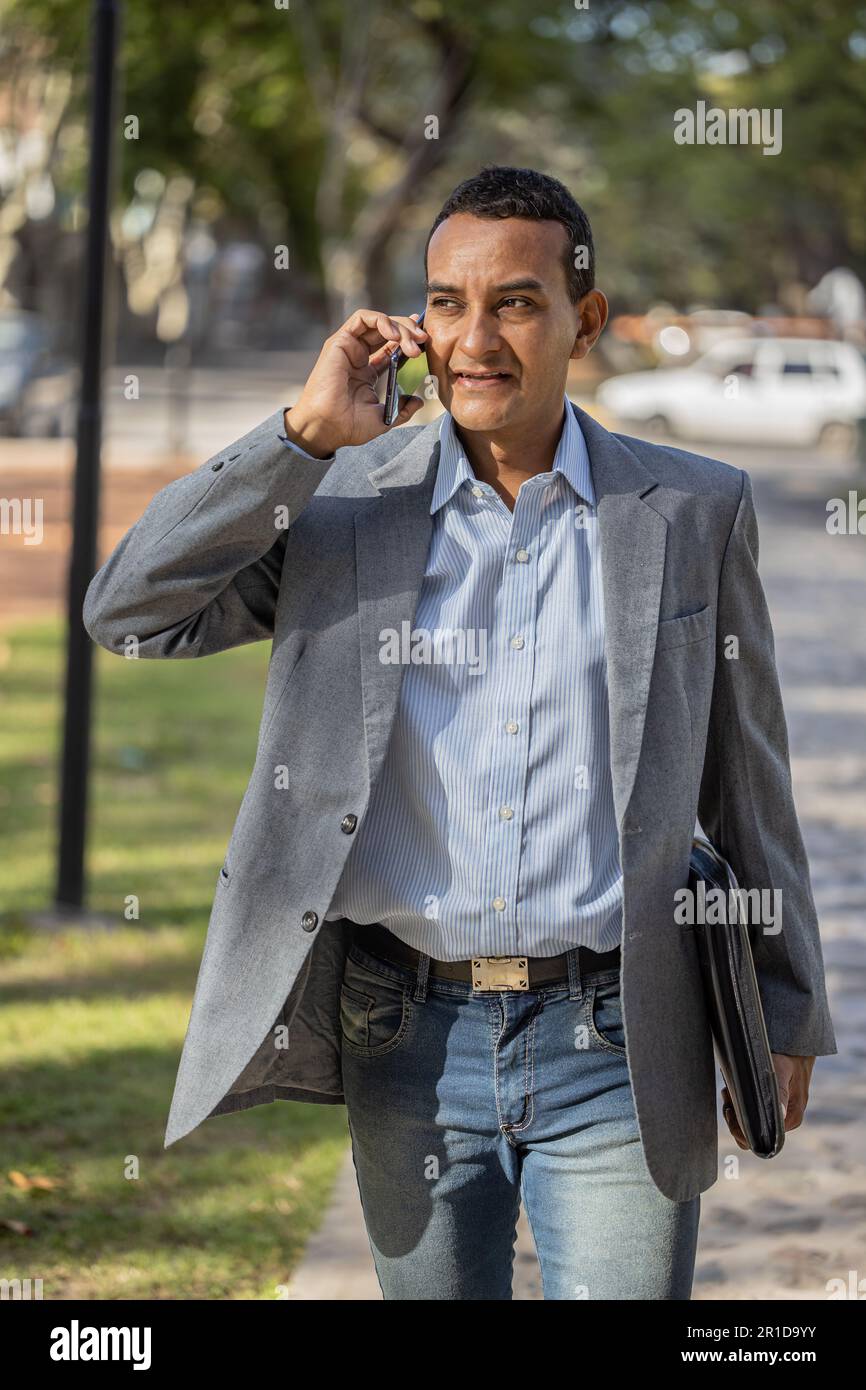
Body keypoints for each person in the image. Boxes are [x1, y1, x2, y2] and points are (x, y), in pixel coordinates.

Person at [83, 165, 837, 1300]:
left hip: (619, 1033)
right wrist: (298, 435)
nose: (473, 338)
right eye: (446, 302)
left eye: (515, 303)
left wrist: (784, 1006)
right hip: (406, 1032)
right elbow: (128, 612)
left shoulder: (689, 508)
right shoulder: (339, 506)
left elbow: (748, 782)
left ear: (582, 319)